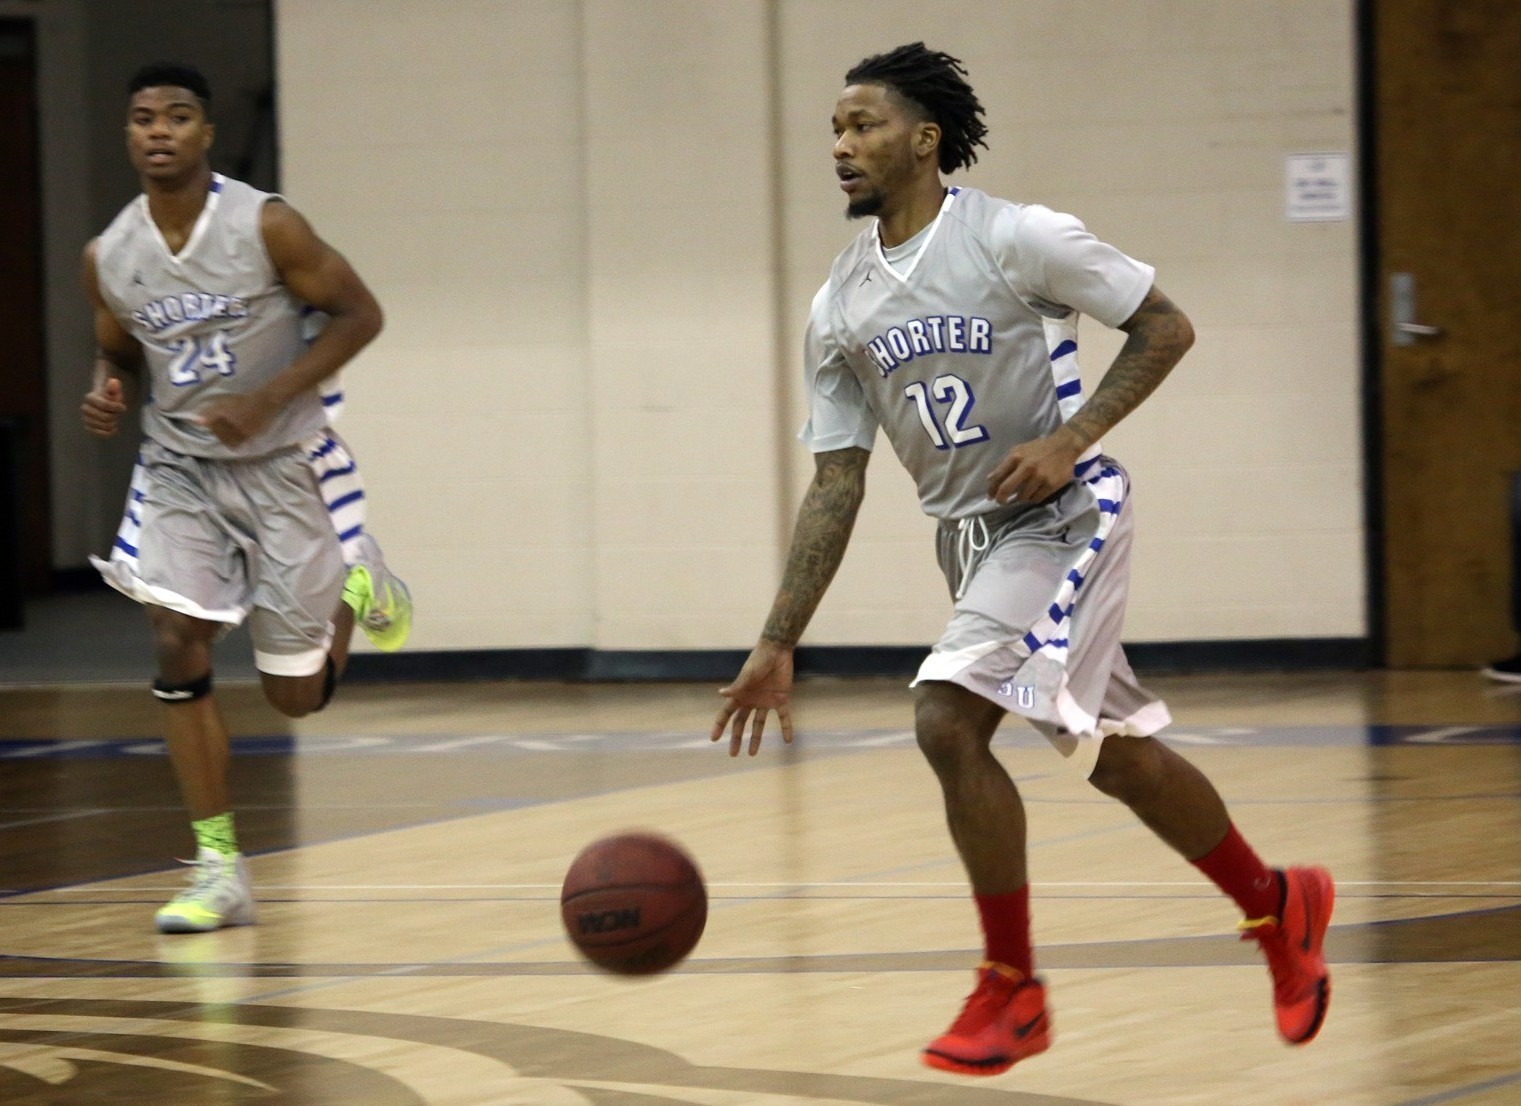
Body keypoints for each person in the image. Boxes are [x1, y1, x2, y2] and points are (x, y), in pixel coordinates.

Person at [711, 43, 1334, 1077]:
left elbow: (1164, 326)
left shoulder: (1016, 237)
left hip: (1063, 518)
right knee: (1116, 758)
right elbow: (836, 483)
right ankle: (1279, 906)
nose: (841, 145)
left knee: (947, 714)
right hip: (972, 547)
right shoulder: (840, 303)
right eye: (833, 128)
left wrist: (1069, 437)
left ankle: (1014, 986)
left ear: (925, 137)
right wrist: (779, 640)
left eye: (861, 124)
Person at [80, 62, 413, 934]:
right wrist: (107, 386)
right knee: (175, 636)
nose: (159, 130)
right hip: (181, 468)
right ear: (130, 135)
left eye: (178, 116)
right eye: (144, 117)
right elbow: (117, 349)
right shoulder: (109, 255)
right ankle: (218, 865)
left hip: (284, 466)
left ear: (206, 134)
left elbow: (360, 315)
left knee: (293, 698)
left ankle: (357, 576)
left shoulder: (266, 224)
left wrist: (270, 396)